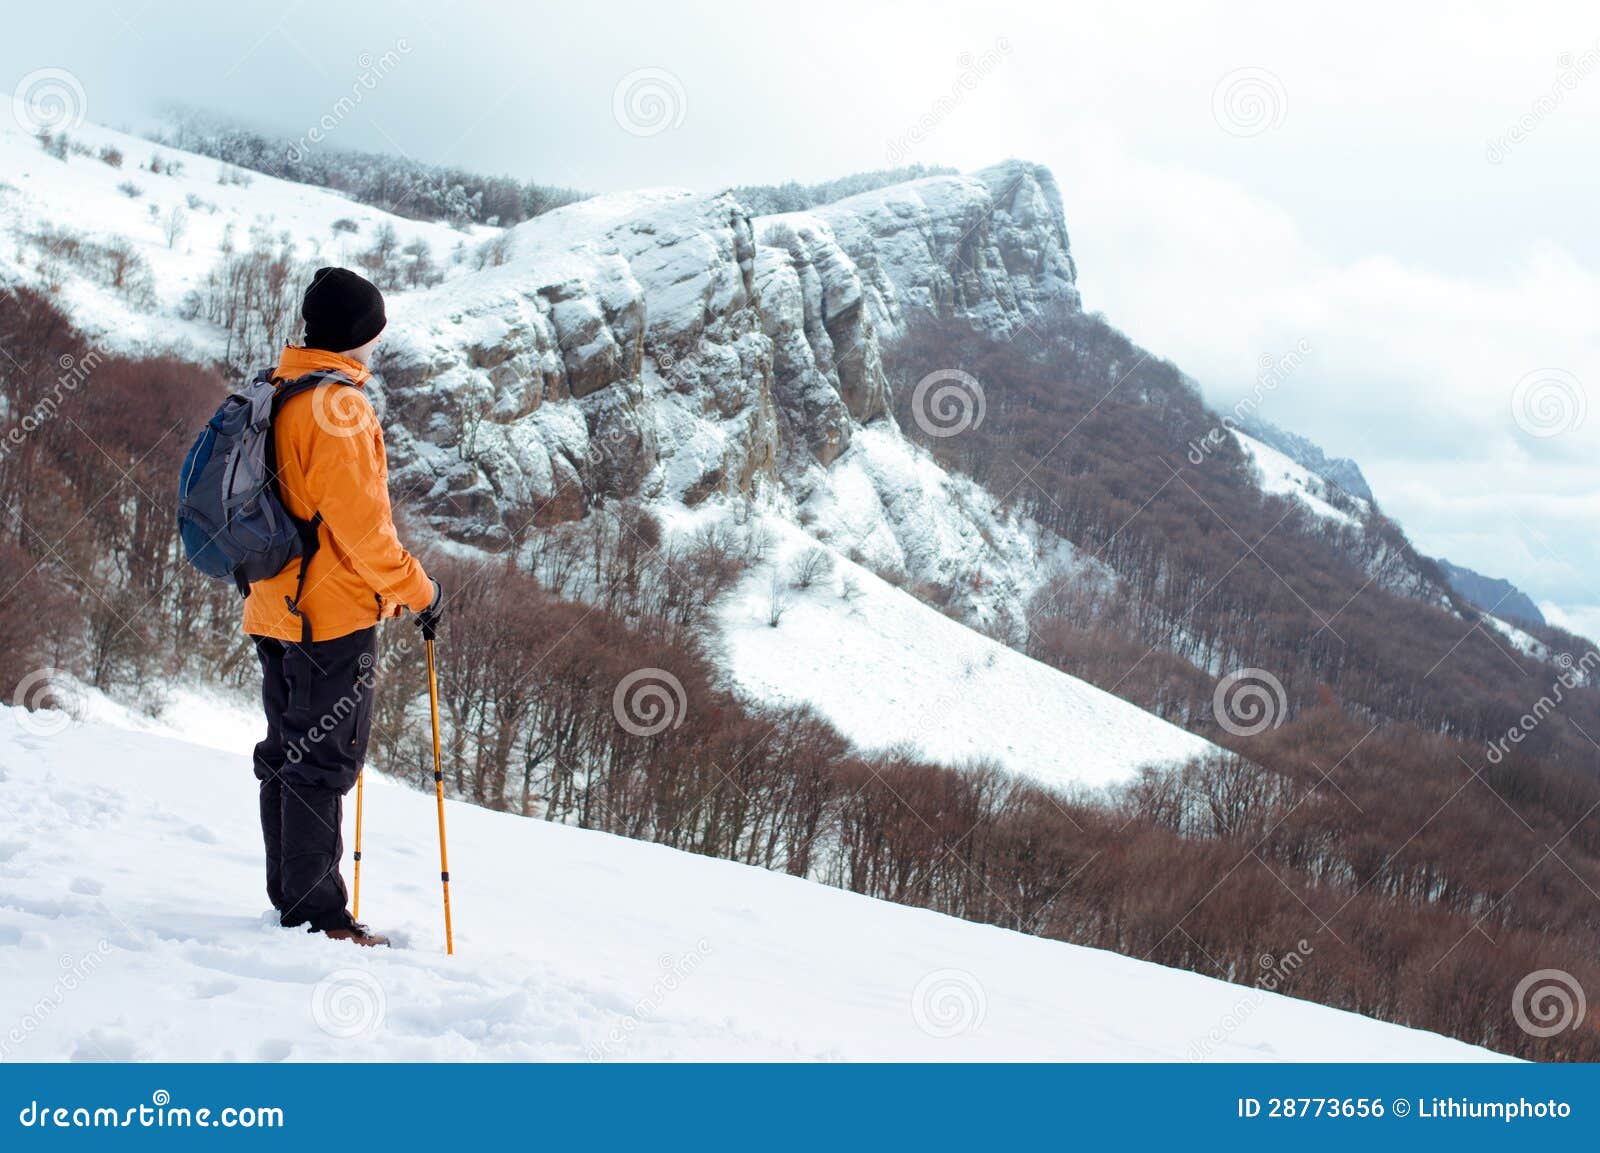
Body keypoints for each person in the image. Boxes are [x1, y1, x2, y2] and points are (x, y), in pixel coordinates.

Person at [244, 266, 443, 948]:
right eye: (375, 328)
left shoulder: (280, 387)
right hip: (328, 616)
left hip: (275, 602)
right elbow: (364, 534)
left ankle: (292, 899)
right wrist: (422, 591)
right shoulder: (339, 408)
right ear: (359, 334)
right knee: (322, 760)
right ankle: (318, 915)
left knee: (286, 752)